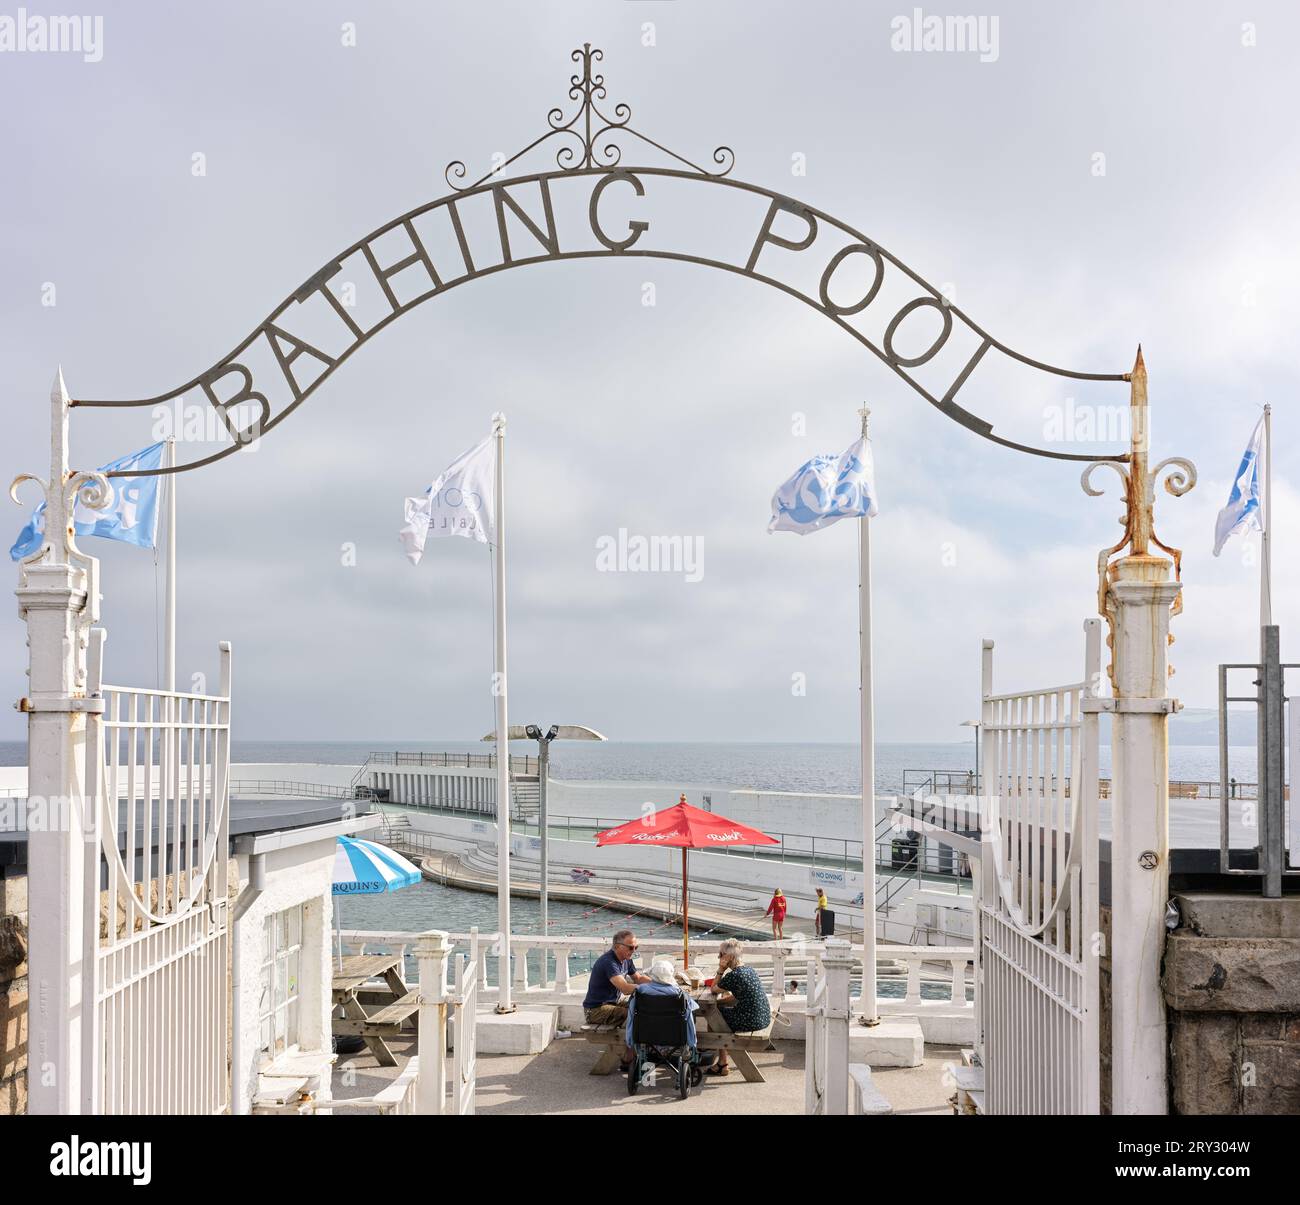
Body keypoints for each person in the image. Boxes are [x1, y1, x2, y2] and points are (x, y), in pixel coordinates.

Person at [583, 929, 651, 1065]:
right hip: (596, 1010)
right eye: (631, 947)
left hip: (612, 1004)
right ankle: (629, 1057)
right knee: (634, 1014)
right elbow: (625, 989)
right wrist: (651, 988)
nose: (634, 950)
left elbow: (638, 978)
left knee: (644, 1008)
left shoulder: (626, 959)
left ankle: (645, 1050)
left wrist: (662, 984)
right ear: (617, 946)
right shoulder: (609, 962)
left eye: (636, 947)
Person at [706, 938, 771, 1076]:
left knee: (713, 1018)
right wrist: (719, 1004)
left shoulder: (733, 976)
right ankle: (722, 1060)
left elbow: (713, 989)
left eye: (721, 954)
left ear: (728, 956)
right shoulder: (748, 970)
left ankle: (722, 1063)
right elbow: (736, 997)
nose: (719, 957)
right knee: (716, 1012)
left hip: (751, 1020)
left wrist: (720, 969)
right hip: (763, 1017)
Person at [625, 959, 698, 1053]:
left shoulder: (640, 991)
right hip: (674, 1036)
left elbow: (631, 1016)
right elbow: (690, 1016)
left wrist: (630, 1039)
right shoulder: (679, 993)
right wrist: (692, 1042)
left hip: (645, 1035)